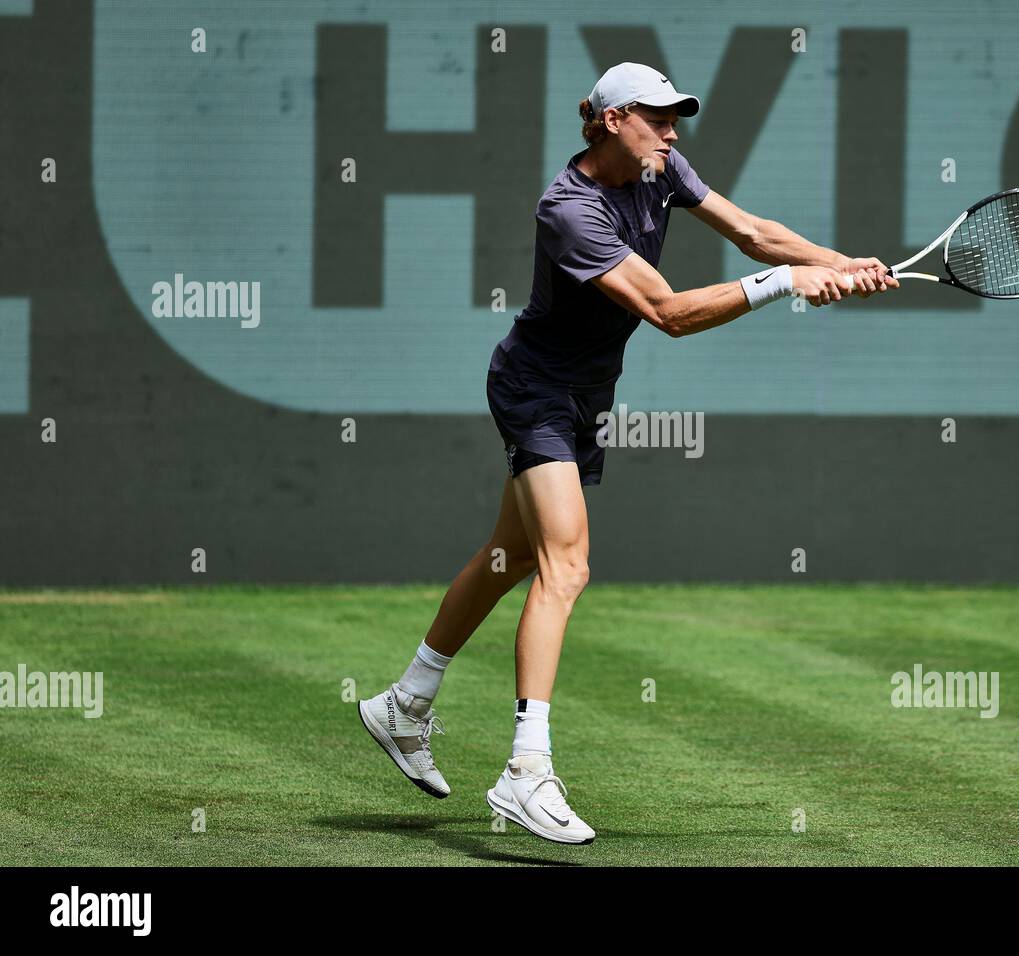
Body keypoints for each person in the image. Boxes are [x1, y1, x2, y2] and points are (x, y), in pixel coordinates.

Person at [360, 62, 898, 845]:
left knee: (510, 558)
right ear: (612, 120)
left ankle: (405, 702)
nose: (672, 131)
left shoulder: (661, 166)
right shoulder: (568, 210)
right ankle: (525, 774)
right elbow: (669, 312)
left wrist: (837, 263)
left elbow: (752, 231)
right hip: (535, 391)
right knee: (566, 565)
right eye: (656, 117)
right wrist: (787, 282)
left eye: (676, 117)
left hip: (585, 393)